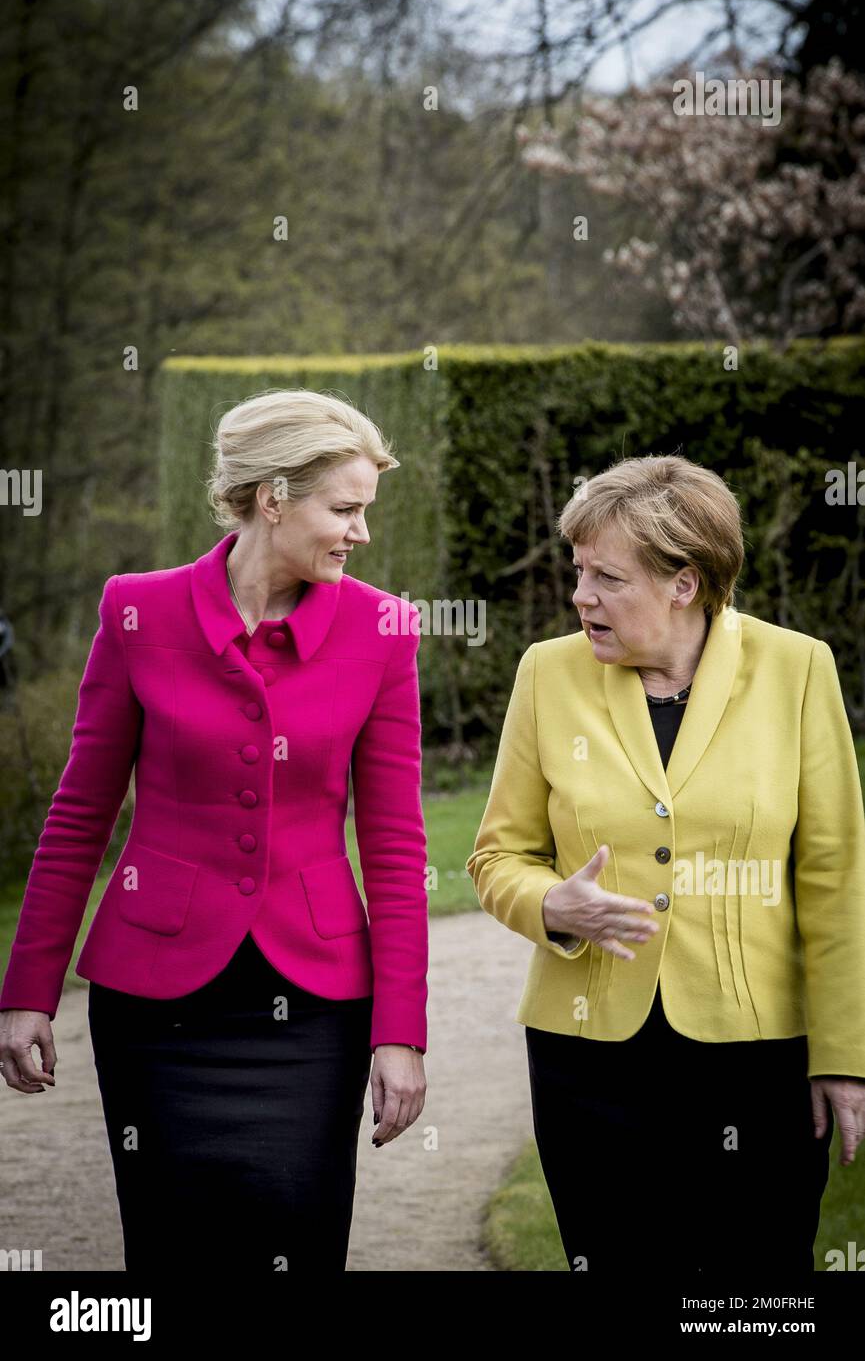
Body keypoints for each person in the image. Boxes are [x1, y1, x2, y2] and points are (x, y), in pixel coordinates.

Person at [0, 389, 428, 1272]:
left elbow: (395, 847)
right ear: (272, 497)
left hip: (314, 1009)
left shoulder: (382, 629)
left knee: (297, 1242)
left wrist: (401, 1033)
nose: (360, 533)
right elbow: (80, 813)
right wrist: (26, 991)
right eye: (344, 510)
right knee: (170, 1248)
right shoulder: (136, 612)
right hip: (156, 1008)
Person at [467, 453, 865, 1274]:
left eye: (606, 578)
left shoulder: (796, 670)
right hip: (588, 1059)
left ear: (683, 582)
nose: (581, 596)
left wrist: (842, 1058)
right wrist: (551, 906)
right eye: (578, 572)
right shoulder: (547, 673)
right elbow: (497, 854)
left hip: (754, 1059)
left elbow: (834, 879)